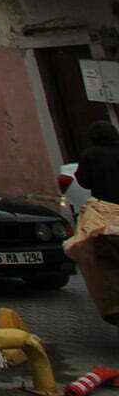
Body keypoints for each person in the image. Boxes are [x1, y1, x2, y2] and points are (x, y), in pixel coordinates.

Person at [66, 120, 119, 323]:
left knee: (95, 255)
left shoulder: (90, 155)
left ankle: (111, 304)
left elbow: (84, 181)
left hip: (102, 213)